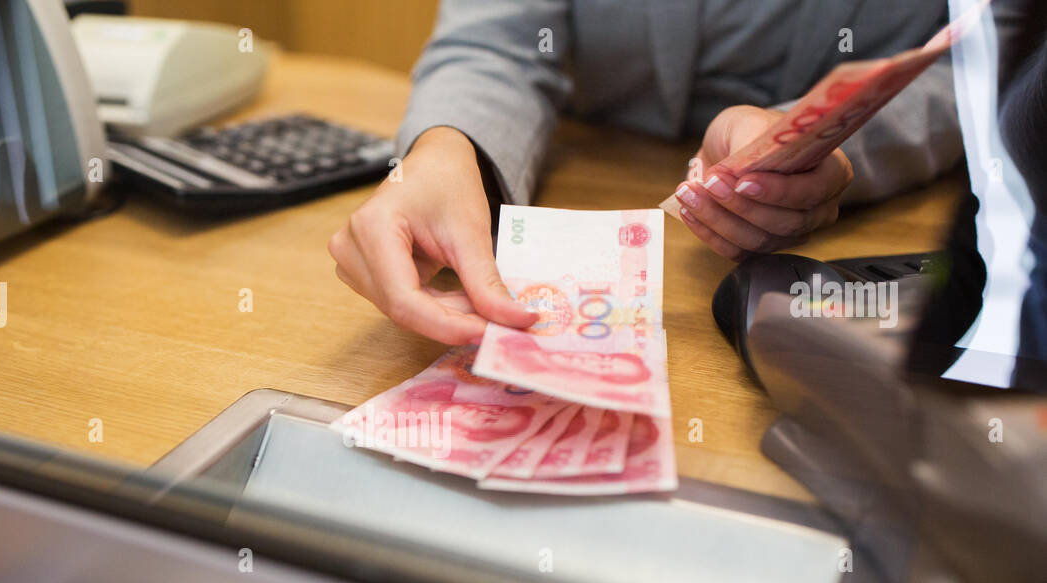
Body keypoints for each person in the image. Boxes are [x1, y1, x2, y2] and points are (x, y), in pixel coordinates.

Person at [330, 0, 964, 344]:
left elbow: (983, 64)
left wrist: (829, 141)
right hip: (580, 177)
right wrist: (446, 147)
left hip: (864, 254)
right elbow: (494, 45)